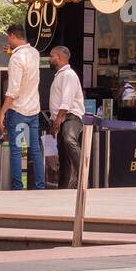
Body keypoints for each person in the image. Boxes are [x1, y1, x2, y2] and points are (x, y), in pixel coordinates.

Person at [0, 24, 45, 190]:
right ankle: (40, 187)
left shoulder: (16, 59)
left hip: (18, 112)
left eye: (8, 38)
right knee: (35, 151)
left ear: (11, 36)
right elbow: (26, 64)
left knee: (16, 151)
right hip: (33, 111)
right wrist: (12, 51)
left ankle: (17, 187)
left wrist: (1, 114)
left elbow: (13, 91)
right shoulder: (34, 53)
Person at [48, 46, 86, 189]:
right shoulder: (59, 75)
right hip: (61, 118)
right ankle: (62, 188)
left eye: (52, 56)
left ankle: (83, 171)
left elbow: (66, 101)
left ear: (60, 57)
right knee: (63, 156)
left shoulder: (68, 75)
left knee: (69, 139)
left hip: (71, 117)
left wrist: (58, 119)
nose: (50, 59)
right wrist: (55, 120)